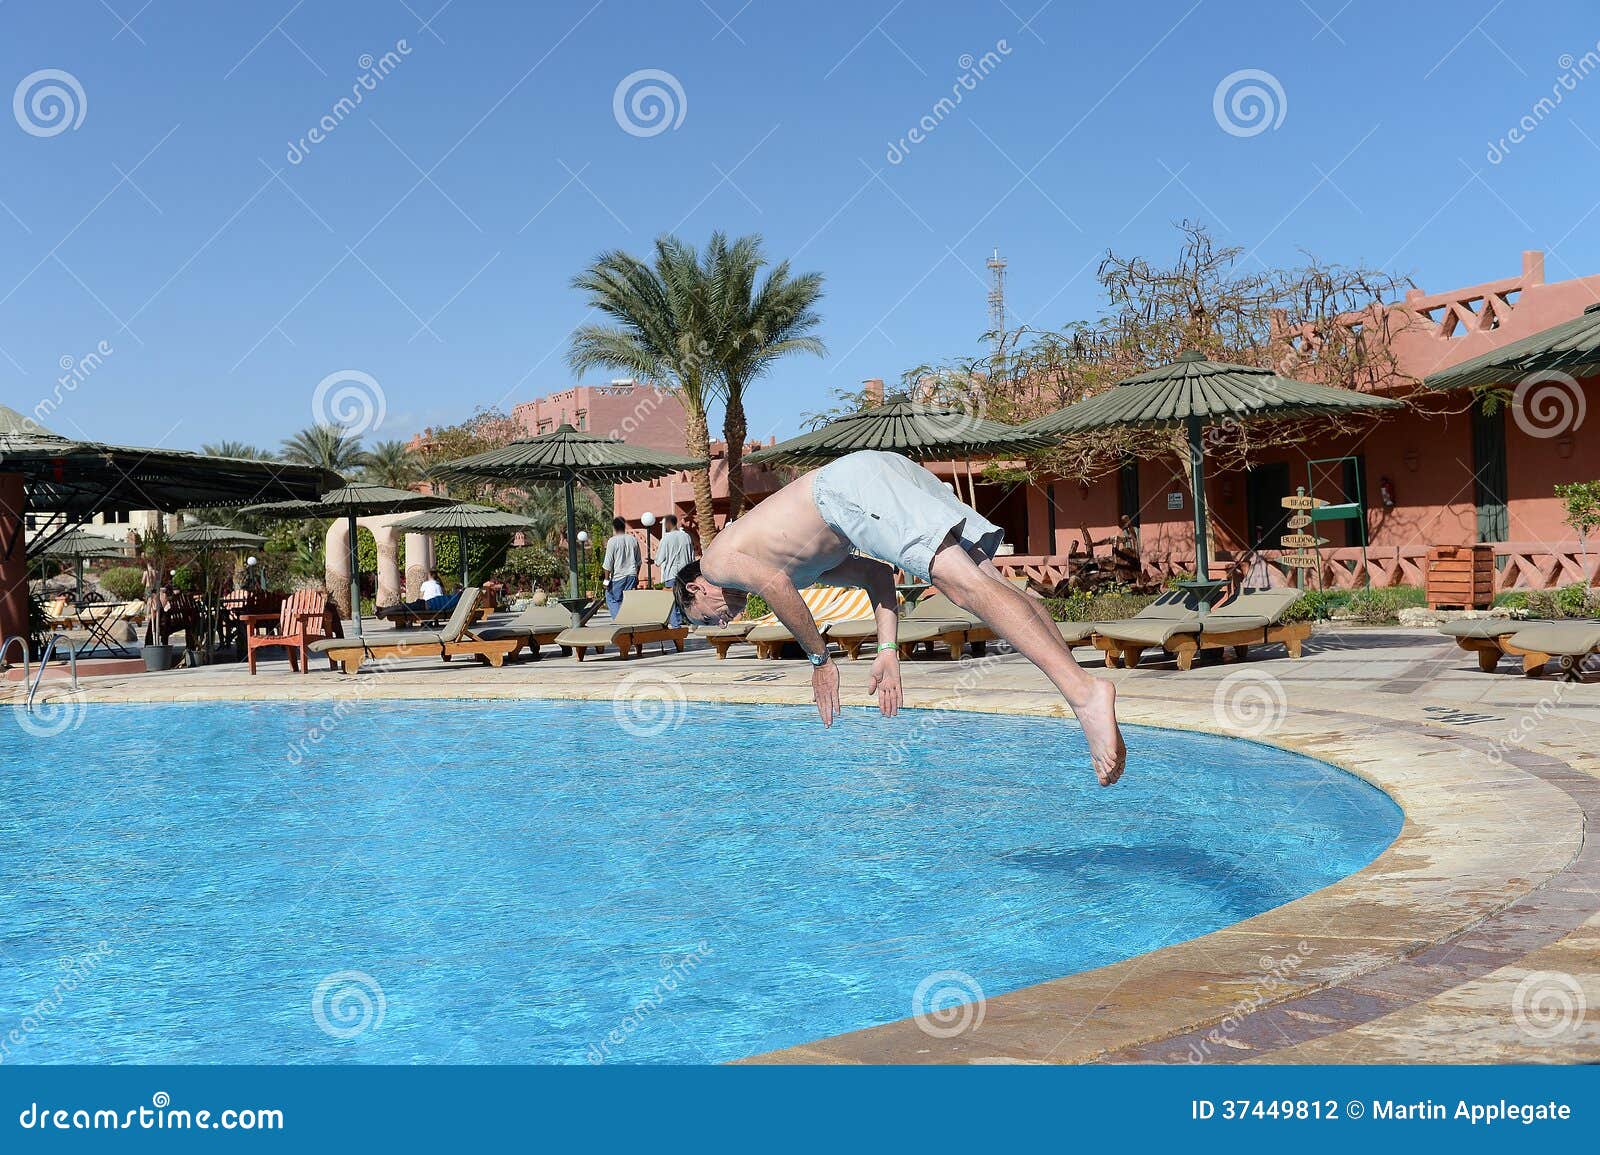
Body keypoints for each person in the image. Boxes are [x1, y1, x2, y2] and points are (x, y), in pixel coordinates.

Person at [671, 450, 1126, 786]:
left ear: (695, 588)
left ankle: (1085, 695)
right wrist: (887, 649)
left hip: (845, 489)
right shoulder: (792, 556)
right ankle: (1082, 689)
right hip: (877, 476)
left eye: (708, 618)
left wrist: (820, 661)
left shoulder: (714, 562)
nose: (723, 621)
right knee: (993, 583)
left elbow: (775, 588)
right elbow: (876, 575)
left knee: (960, 583)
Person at [655, 514, 696, 628]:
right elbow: (691, 556)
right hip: (685, 574)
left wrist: (653, 561)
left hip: (671, 575)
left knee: (672, 601)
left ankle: (676, 625)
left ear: (668, 523)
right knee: (684, 599)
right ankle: (690, 621)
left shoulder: (666, 538)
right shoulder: (686, 536)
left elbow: (659, 560)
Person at [601, 517, 641, 619]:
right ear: (624, 526)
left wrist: (606, 581)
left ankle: (619, 620)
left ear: (614, 527)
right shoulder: (633, 540)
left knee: (611, 597)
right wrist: (636, 576)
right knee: (625, 600)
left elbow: (608, 563)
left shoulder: (612, 541)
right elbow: (638, 562)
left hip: (619, 576)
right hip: (632, 575)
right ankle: (626, 619)